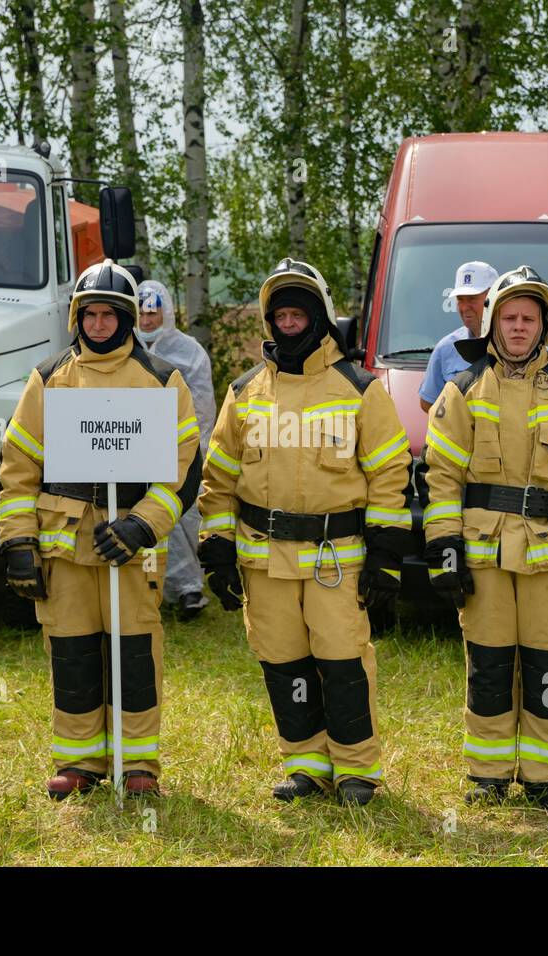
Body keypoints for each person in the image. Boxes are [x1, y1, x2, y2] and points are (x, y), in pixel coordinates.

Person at [197, 258, 412, 806]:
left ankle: (357, 771)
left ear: (319, 317)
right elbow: (219, 475)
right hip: (262, 560)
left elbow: (390, 474)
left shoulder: (361, 388)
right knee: (282, 660)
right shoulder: (244, 392)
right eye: (281, 314)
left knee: (342, 660)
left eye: (299, 312)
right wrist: (216, 546)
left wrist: (386, 553)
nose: (290, 322)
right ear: (271, 323)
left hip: (333, 556)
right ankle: (306, 766)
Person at [0, 260, 201, 800]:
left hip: (130, 551)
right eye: (91, 313)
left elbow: (184, 470)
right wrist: (17, 541)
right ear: (76, 317)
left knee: (135, 652)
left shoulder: (162, 380)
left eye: (111, 314)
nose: (101, 324)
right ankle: (80, 762)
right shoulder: (48, 379)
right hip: (64, 549)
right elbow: (18, 468)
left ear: (130, 318)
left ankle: (139, 765)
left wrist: (141, 525)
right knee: (72, 652)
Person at [422, 265, 548, 811]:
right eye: (508, 317)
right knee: (487, 663)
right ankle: (487, 774)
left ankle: (547, 777)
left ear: (543, 325)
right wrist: (444, 549)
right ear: (491, 322)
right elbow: (441, 478)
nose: (518, 327)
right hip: (483, 555)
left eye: (529, 318)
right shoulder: (462, 389)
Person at [135, 278, 216, 620]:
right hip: (135, 446)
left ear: (165, 313)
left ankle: (188, 589)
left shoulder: (188, 352)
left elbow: (201, 404)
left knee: (183, 514)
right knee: (146, 513)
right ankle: (157, 588)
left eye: (153, 312)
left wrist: (187, 445)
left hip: (178, 447)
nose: (147, 320)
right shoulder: (123, 347)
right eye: (141, 312)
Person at [418, 261, 498, 412]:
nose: (464, 307)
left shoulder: (519, 344)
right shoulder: (446, 348)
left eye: (472, 298)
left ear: (493, 297)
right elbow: (427, 404)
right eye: (460, 299)